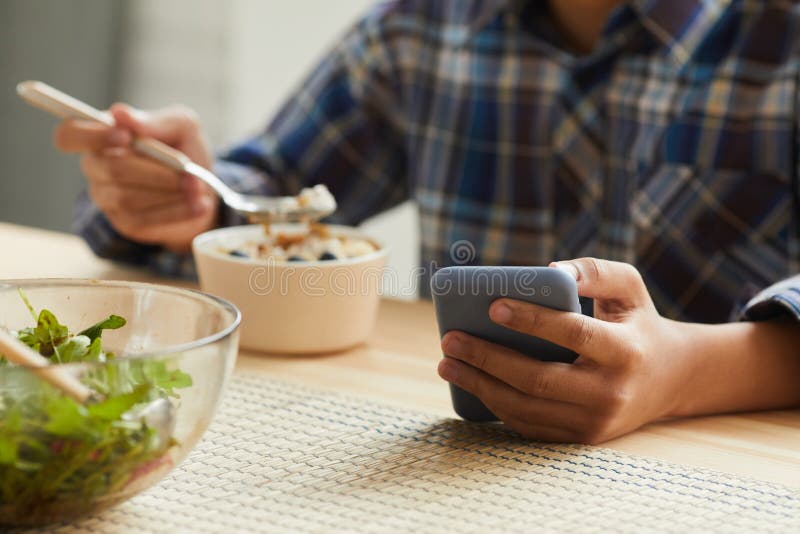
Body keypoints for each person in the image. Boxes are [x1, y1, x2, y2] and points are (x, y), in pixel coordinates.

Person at [55, 0, 800, 444]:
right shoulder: (421, 27)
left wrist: (685, 373)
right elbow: (268, 198)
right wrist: (186, 205)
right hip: (459, 459)